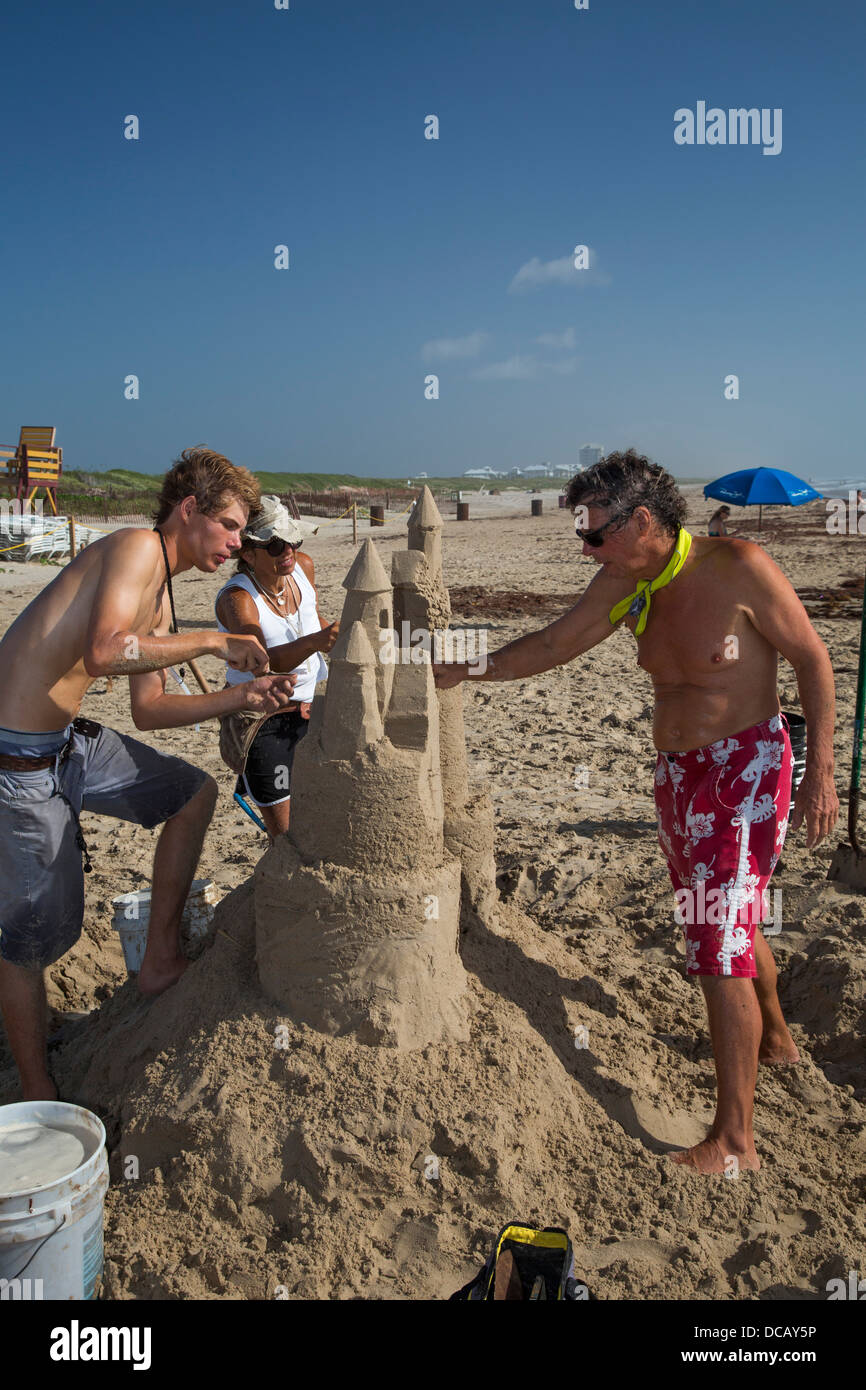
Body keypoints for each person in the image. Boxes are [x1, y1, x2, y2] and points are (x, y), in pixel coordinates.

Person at [433, 448, 839, 1175]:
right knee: (723, 919)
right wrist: (466, 670)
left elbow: (813, 658)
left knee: (719, 940)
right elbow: (555, 643)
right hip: (678, 777)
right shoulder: (624, 581)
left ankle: (734, 1141)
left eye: (594, 534)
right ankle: (775, 1037)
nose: (585, 548)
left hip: (746, 768)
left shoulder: (738, 567)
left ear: (641, 520)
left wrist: (823, 777)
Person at [0, 446, 297, 1101]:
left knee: (190, 794)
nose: (237, 541)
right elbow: (106, 652)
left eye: (243, 532)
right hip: (17, 757)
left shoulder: (159, 596)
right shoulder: (137, 547)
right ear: (189, 510)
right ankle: (35, 1087)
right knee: (31, 938)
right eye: (228, 525)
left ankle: (159, 958)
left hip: (67, 742)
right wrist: (216, 641)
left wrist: (244, 698)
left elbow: (153, 710)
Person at [215, 496, 339, 838]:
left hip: (312, 709)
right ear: (248, 553)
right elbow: (260, 662)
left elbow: (314, 621)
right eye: (274, 545)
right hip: (265, 720)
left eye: (292, 541)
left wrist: (341, 638)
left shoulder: (303, 567)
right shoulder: (237, 600)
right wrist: (316, 642)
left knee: (323, 816)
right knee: (287, 838)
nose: (287, 552)